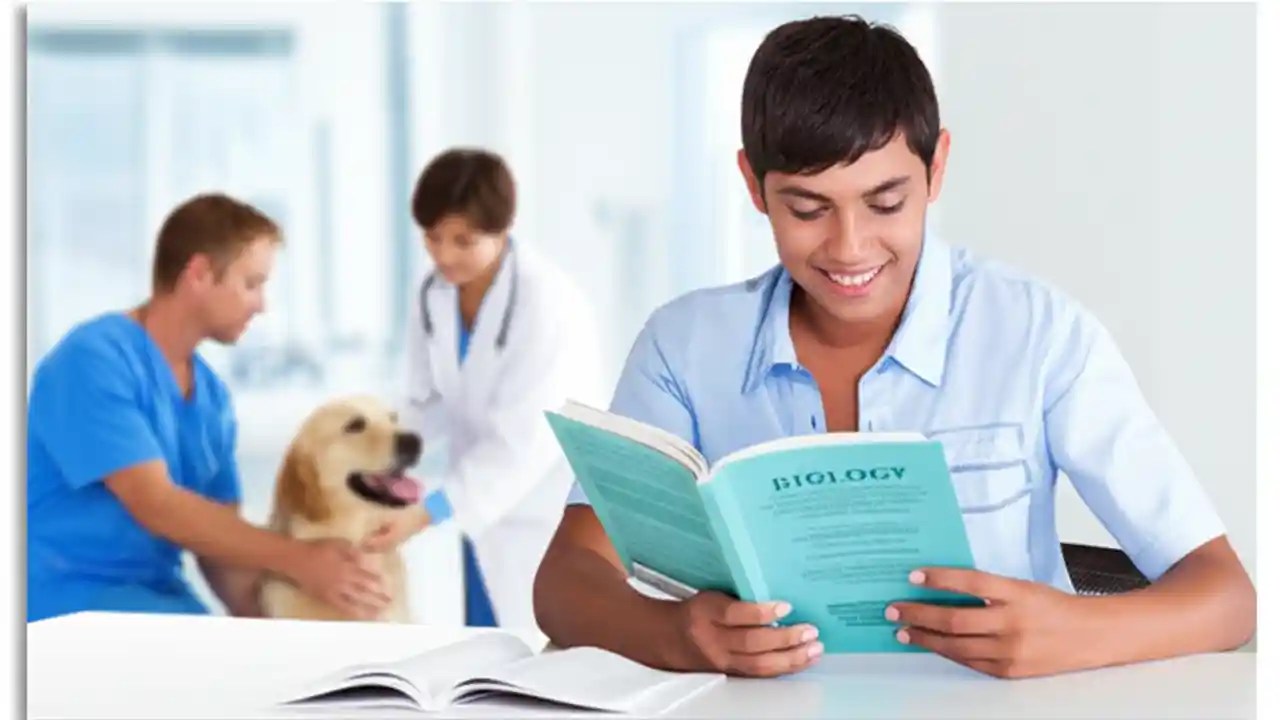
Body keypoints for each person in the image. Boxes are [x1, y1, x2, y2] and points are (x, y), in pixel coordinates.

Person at [530, 15, 1256, 678]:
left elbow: (1225, 596)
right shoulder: (684, 346)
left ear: (937, 169)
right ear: (753, 184)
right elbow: (566, 580)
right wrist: (676, 634)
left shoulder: (1039, 335)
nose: (850, 248)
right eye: (807, 208)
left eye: (886, 203)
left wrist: (1077, 631)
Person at [27, 193, 392, 623]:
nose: (262, 304)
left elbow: (222, 550)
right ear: (199, 274)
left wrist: (293, 627)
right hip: (68, 610)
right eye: (251, 284)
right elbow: (155, 503)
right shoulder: (94, 360)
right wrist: (300, 559)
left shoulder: (212, 401)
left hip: (160, 604)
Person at [385, 148, 606, 628]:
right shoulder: (433, 293)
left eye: (463, 240)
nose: (443, 255)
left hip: (544, 512)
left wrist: (429, 512)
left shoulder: (545, 302)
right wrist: (385, 462)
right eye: (432, 238)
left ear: (502, 230)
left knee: (539, 655)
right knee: (483, 655)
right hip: (479, 515)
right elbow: (425, 402)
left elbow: (523, 443)